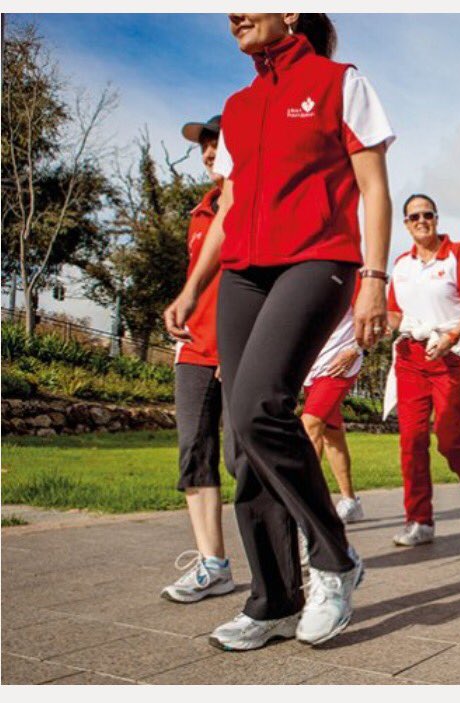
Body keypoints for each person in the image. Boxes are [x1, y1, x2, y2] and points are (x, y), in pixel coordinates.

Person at [164, 13, 395, 651]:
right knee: (242, 435)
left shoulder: (338, 82)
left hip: (318, 259)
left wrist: (373, 276)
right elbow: (230, 206)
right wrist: (191, 289)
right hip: (242, 273)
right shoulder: (237, 107)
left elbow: (374, 186)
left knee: (259, 406)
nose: (233, 12)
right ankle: (273, 600)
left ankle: (336, 559)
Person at [386, 193, 460, 547]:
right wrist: (378, 320)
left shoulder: (456, 254)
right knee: (412, 440)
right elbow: (394, 313)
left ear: (436, 218)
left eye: (427, 215)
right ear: (405, 224)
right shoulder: (401, 265)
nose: (421, 221)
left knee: (449, 437)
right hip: (410, 357)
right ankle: (419, 520)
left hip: (449, 355)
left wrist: (451, 337)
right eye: (414, 216)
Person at [161, 114, 234, 604]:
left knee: (245, 455)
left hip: (241, 343)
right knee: (195, 450)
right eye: (205, 146)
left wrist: (240, 339)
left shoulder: (251, 203)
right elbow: (199, 281)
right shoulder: (200, 211)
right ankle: (213, 563)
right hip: (193, 349)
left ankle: (291, 546)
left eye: (218, 143)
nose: (209, 152)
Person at [301, 300, 365, 524]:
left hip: (340, 363)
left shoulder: (350, 275)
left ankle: (307, 510)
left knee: (310, 425)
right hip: (312, 364)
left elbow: (371, 316)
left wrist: (356, 349)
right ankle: (351, 501)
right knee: (331, 433)